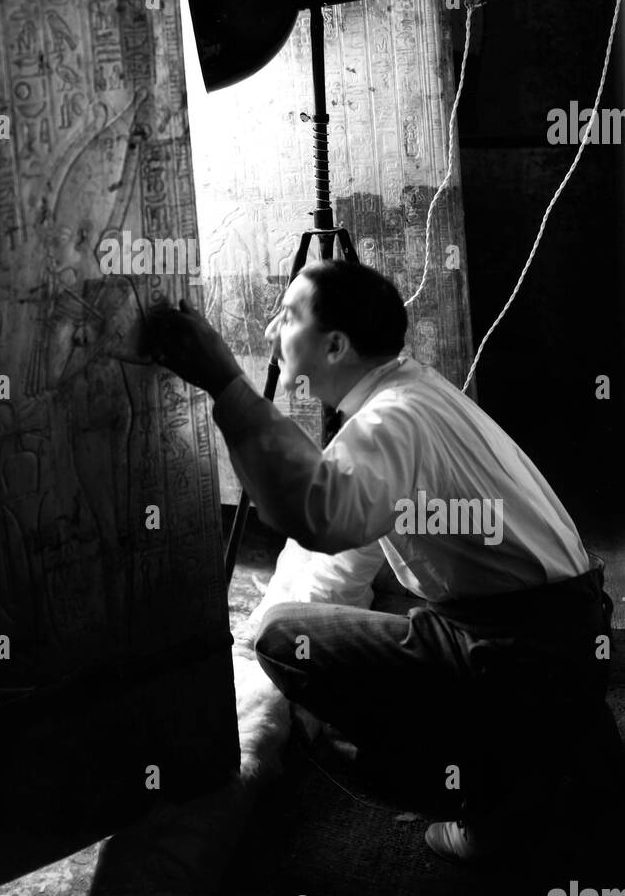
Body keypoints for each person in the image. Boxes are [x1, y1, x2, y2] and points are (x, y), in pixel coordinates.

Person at [145, 259, 623, 864]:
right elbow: (344, 542)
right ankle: (561, 750)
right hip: (569, 632)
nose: (270, 328)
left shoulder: (392, 419)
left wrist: (224, 383)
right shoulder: (415, 390)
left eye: (287, 315)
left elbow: (323, 516)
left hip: (521, 650)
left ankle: (497, 799)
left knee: (284, 639)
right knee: (365, 604)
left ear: (336, 344)